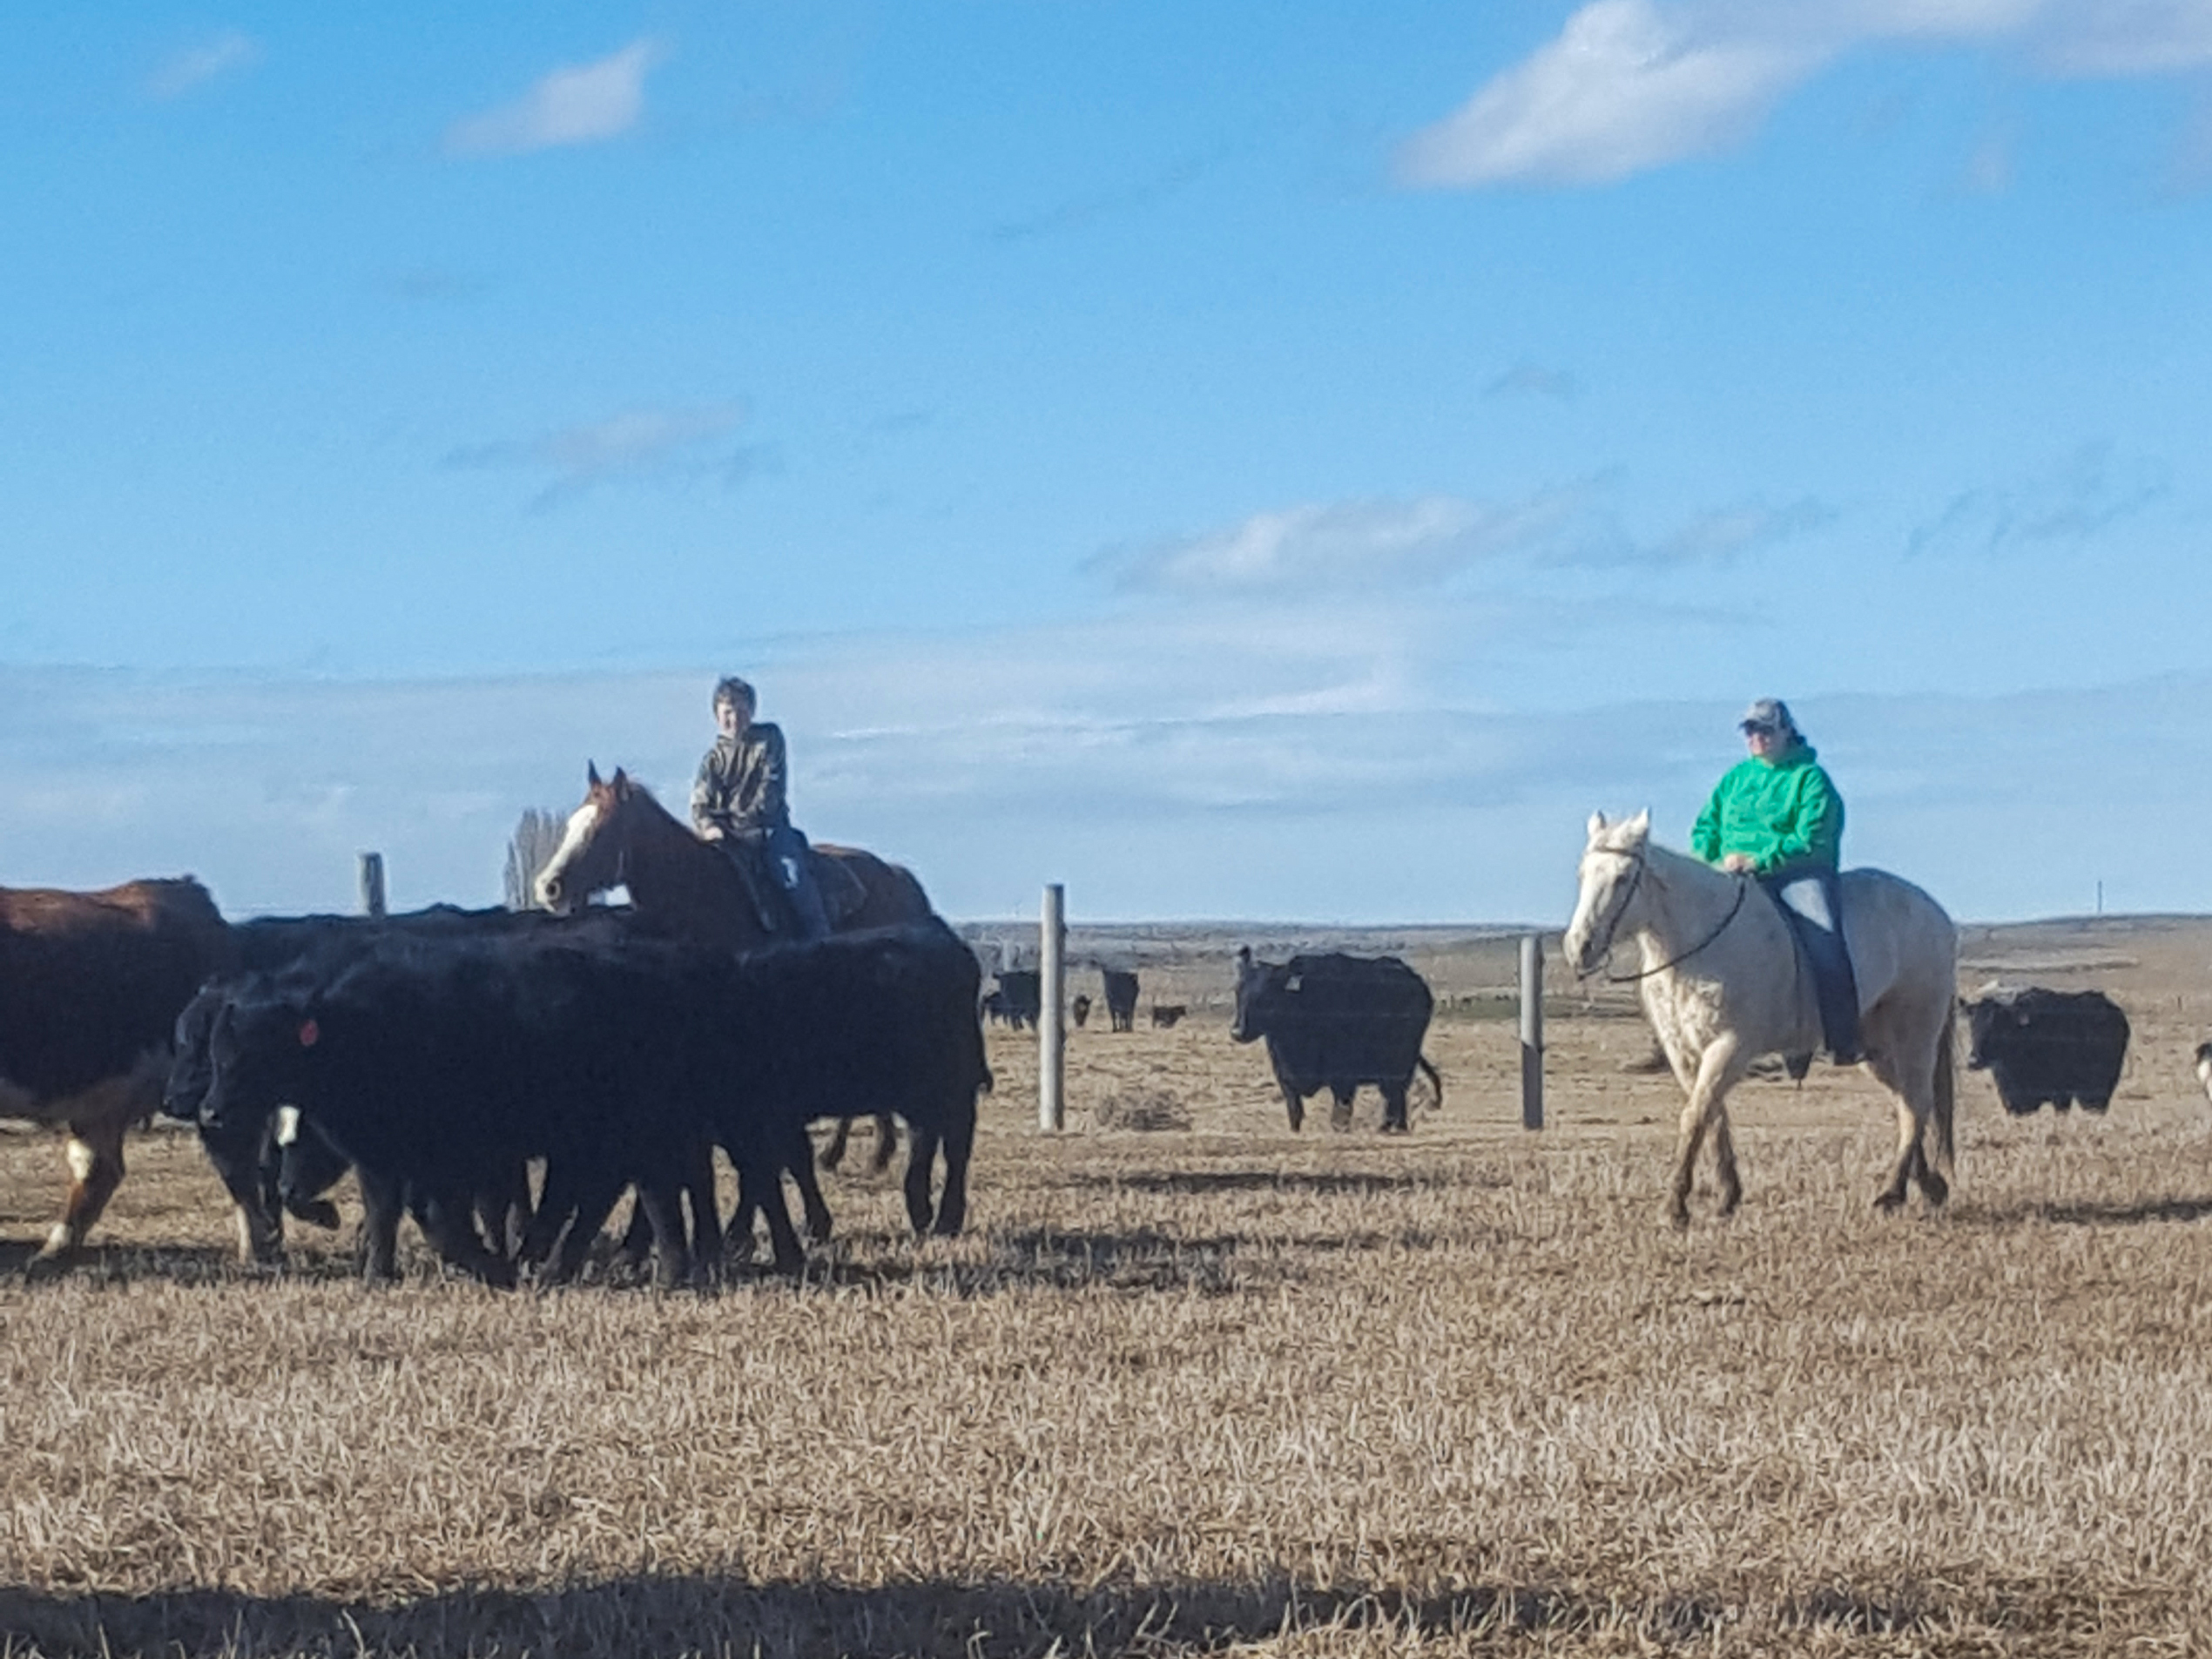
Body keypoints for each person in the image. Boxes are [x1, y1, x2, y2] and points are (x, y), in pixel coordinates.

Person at [1690, 698, 1862, 1064]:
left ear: (1786, 731)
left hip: (1794, 873)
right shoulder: (1735, 779)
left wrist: (1759, 859)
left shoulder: (1811, 779)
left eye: (1766, 730)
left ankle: (1842, 1033)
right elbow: (1706, 825)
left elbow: (1811, 838)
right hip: (1731, 873)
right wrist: (1711, 859)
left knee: (1823, 939)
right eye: (1751, 730)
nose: (1757, 738)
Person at [689, 675, 831, 939]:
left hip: (769, 832)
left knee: (793, 877)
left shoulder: (769, 739)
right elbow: (700, 802)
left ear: (752, 711)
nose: (735, 718)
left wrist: (744, 823)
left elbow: (770, 789)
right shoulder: (712, 761)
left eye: (742, 710)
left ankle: (822, 941)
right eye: (728, 712)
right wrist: (708, 827)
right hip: (728, 839)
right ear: (716, 715)